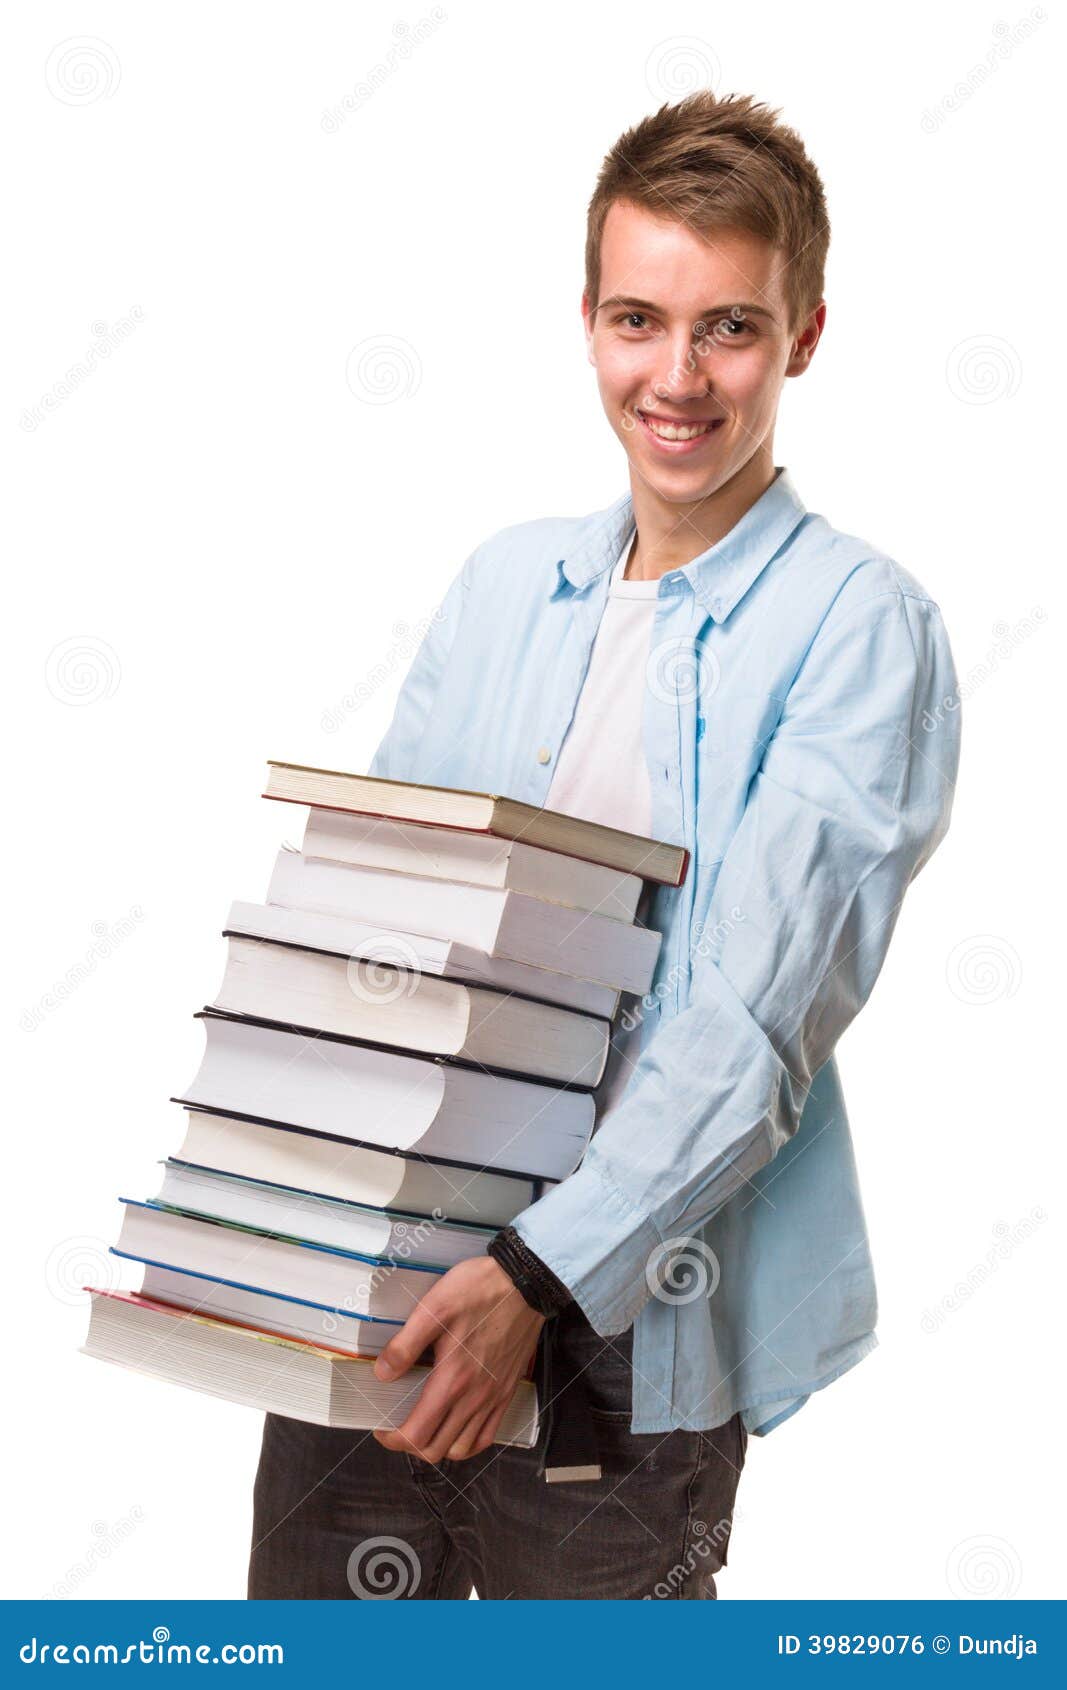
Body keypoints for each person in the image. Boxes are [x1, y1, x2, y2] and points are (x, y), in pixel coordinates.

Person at [248, 89, 960, 1601]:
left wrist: (538, 1277)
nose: (678, 377)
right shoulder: (507, 584)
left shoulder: (859, 628)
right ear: (587, 321)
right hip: (380, 1290)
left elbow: (756, 1025)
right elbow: (381, 926)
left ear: (808, 333)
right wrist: (251, 1206)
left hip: (623, 1336)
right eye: (641, 319)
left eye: (732, 328)